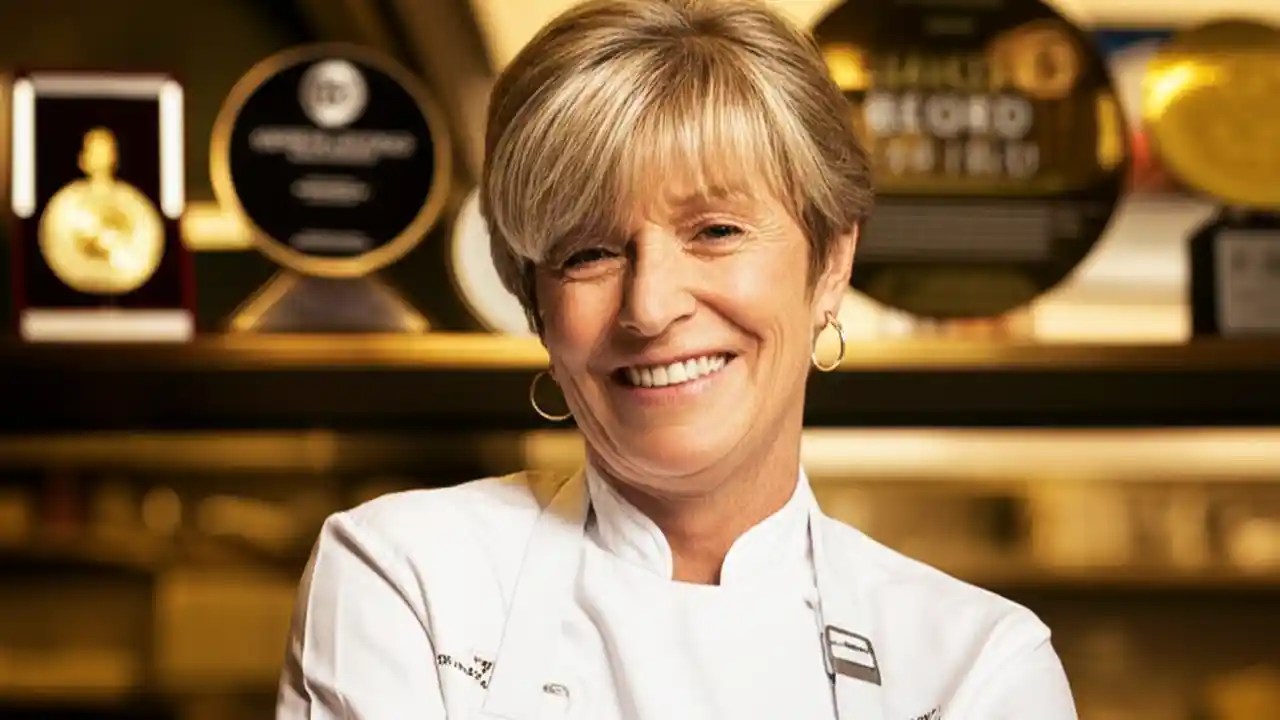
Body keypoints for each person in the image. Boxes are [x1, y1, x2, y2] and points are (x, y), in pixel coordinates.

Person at [275, 0, 1079, 718]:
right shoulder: (405, 578)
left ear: (830, 263)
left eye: (716, 231)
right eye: (588, 251)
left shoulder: (978, 666)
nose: (651, 306)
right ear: (538, 308)